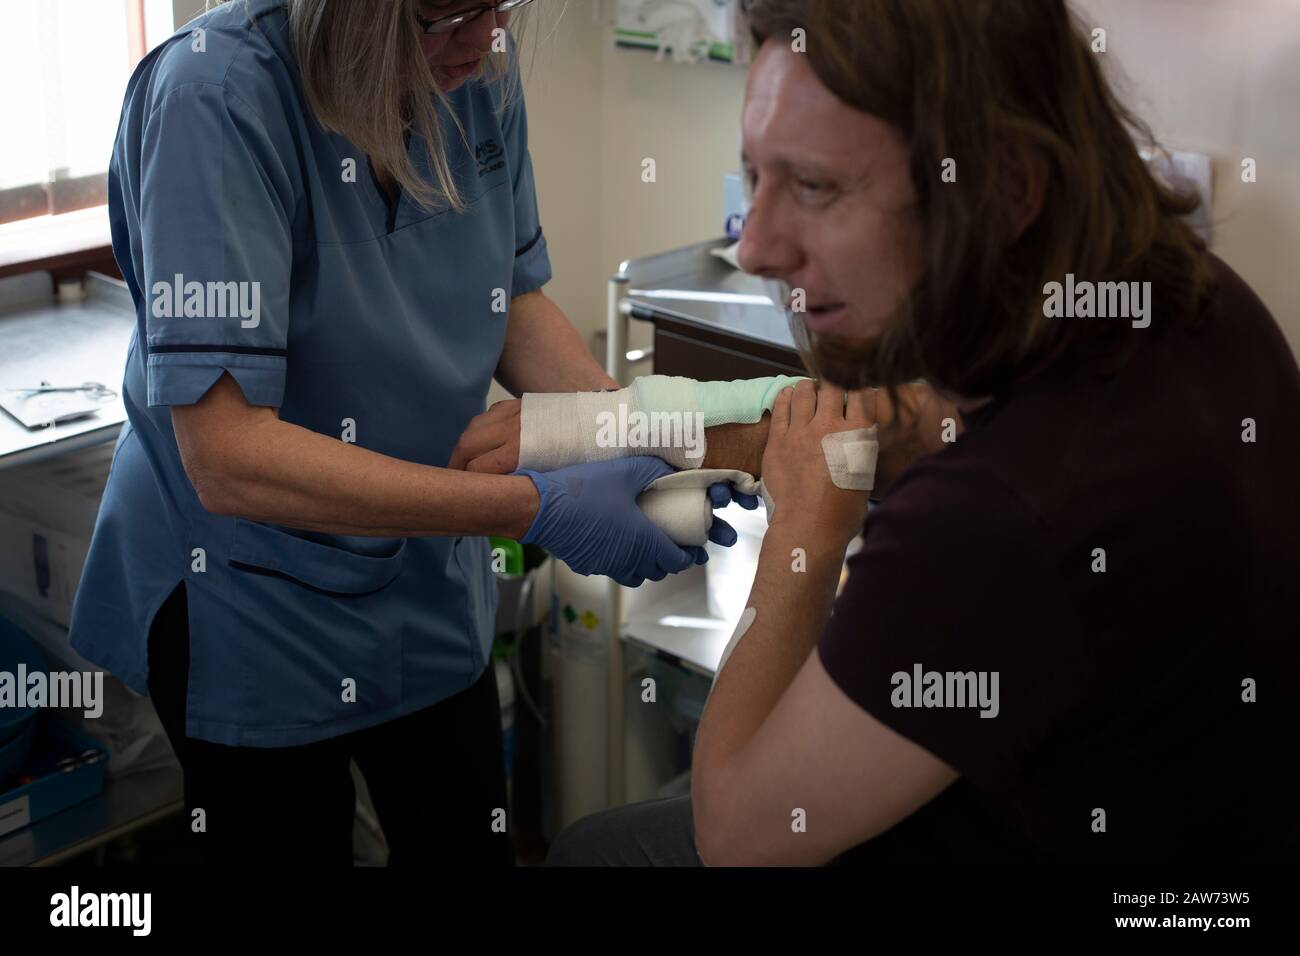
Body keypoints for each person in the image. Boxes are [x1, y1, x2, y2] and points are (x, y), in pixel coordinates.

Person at [541, 0, 1300, 865]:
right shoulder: (1180, 293)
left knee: (598, 849)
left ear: (1005, 185)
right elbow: (936, 415)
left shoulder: (1001, 519)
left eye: (817, 187)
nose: (754, 246)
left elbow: (738, 835)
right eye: (755, 176)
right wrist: (706, 438)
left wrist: (804, 534)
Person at [69, 0, 762, 866]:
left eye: (500, 7)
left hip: (426, 571)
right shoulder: (215, 97)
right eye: (443, 16)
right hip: (246, 592)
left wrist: (632, 430)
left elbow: (511, 301)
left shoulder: (475, 73)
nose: (484, 39)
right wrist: (527, 508)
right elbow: (229, 457)